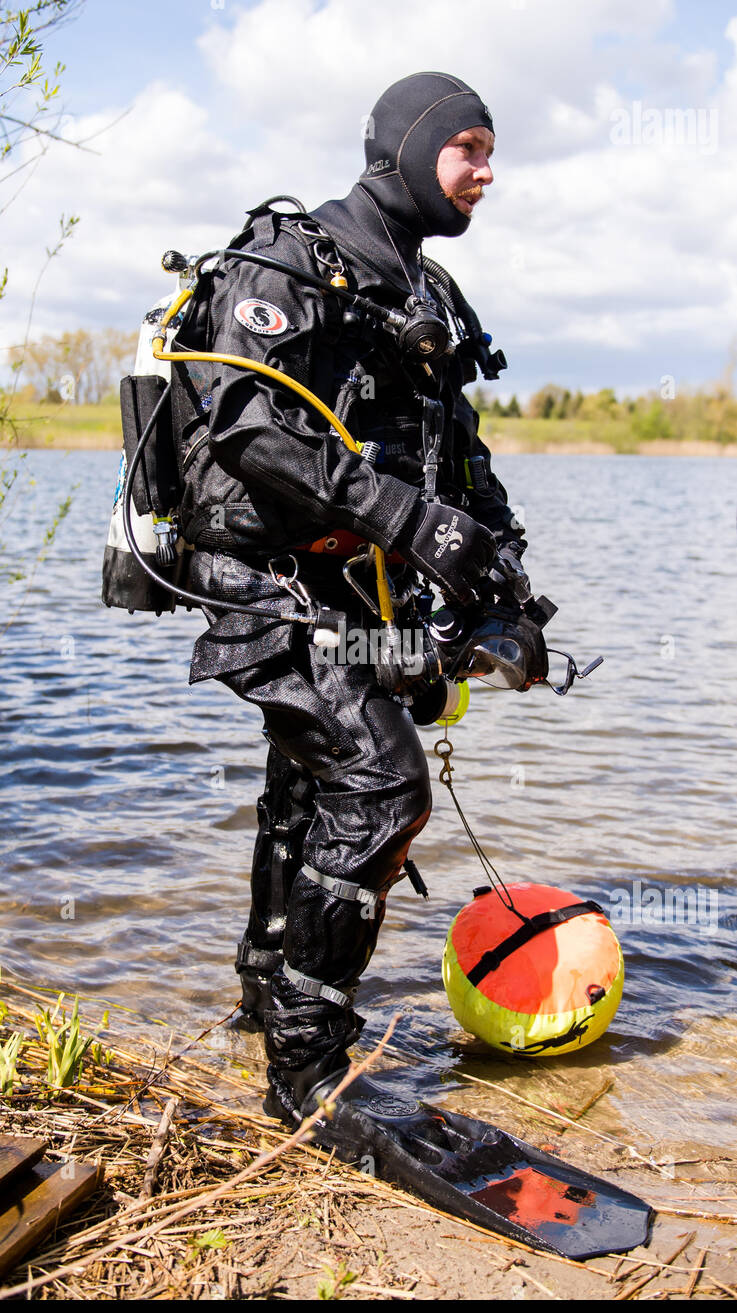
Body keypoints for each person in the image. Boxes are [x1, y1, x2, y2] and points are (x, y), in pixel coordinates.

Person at [171, 71, 532, 1125]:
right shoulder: (289, 259)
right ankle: (306, 1072)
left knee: (312, 777)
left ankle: (260, 996)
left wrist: (503, 581)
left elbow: (459, 458)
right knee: (381, 785)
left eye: (488, 148)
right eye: (466, 147)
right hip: (259, 575)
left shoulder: (427, 295)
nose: (484, 170)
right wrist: (408, 522)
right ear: (409, 149)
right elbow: (243, 420)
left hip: (349, 585)